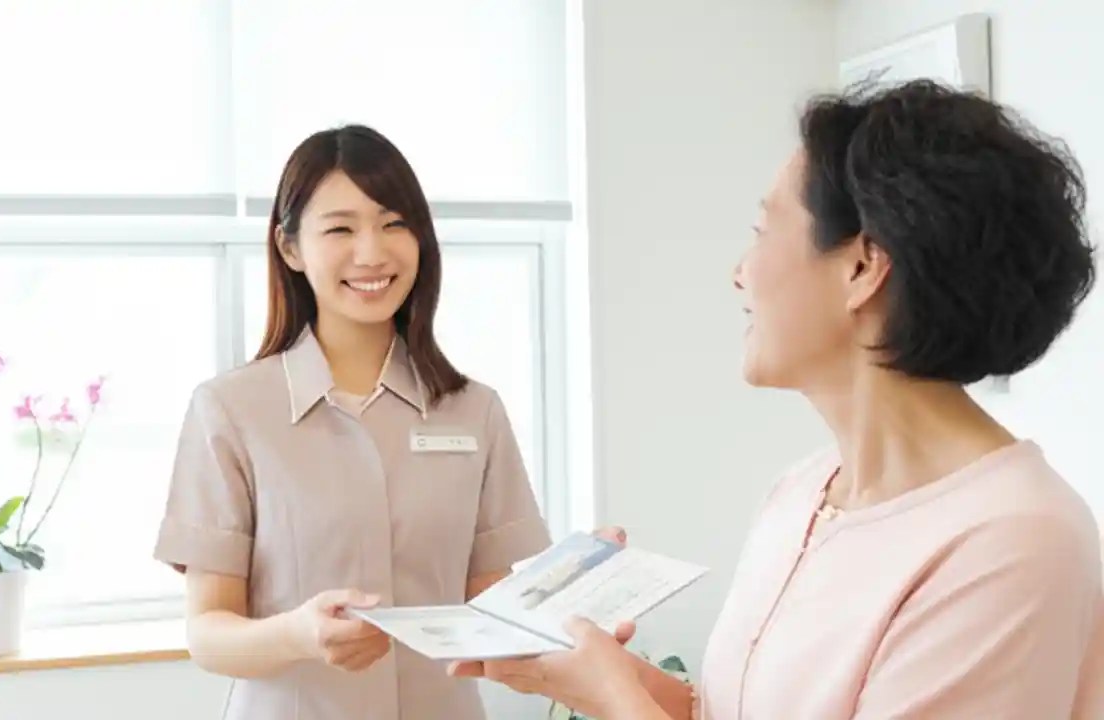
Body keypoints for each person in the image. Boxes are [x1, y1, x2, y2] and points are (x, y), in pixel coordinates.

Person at [450, 79, 1103, 719]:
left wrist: (614, 700)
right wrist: (610, 678)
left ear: (861, 269)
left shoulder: (1012, 543)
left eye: (762, 231)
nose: (740, 271)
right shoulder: (805, 491)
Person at [152, 124, 554, 719]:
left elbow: (489, 611)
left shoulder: (475, 411)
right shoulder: (232, 411)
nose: (372, 252)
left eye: (394, 224)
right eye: (340, 228)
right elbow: (207, 634)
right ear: (290, 248)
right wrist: (299, 633)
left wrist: (576, 588)